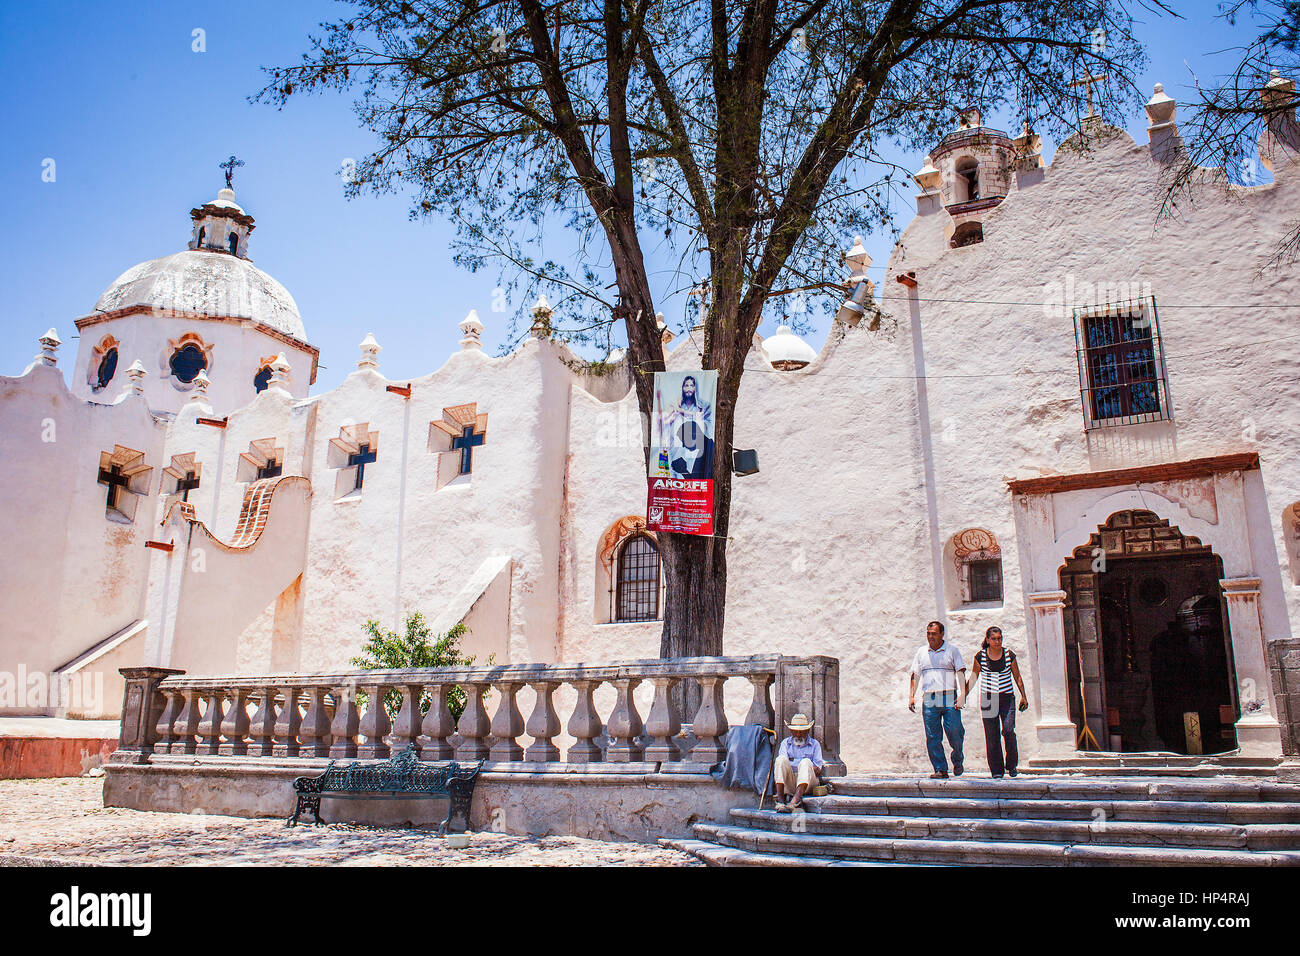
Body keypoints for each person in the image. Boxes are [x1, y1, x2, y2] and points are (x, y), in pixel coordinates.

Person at [966, 626, 1029, 778]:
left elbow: (1017, 677)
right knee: (991, 735)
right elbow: (974, 677)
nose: (997, 641)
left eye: (999, 638)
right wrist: (963, 695)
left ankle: (1012, 765)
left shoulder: (1008, 655)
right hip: (989, 699)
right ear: (987, 640)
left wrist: (1023, 696)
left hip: (1007, 698)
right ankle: (997, 770)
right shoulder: (980, 656)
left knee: (1008, 730)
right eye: (993, 639)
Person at [908, 621, 966, 778]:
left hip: (949, 696)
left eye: (933, 633)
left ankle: (958, 758)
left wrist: (962, 694)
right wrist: (911, 696)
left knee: (954, 730)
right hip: (930, 698)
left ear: (942, 634)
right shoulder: (921, 652)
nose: (930, 636)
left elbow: (960, 671)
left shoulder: (952, 651)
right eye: (928, 633)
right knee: (932, 735)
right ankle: (940, 769)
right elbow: (915, 674)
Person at [773, 713, 823, 811]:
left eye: (802, 732)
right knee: (780, 760)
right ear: (791, 731)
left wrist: (798, 763)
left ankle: (795, 801)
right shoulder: (785, 743)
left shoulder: (815, 744)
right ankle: (780, 800)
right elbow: (782, 765)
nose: (798, 734)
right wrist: (804, 766)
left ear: (807, 730)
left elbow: (817, 770)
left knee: (806, 762)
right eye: (795, 731)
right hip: (790, 782)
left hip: (808, 784)